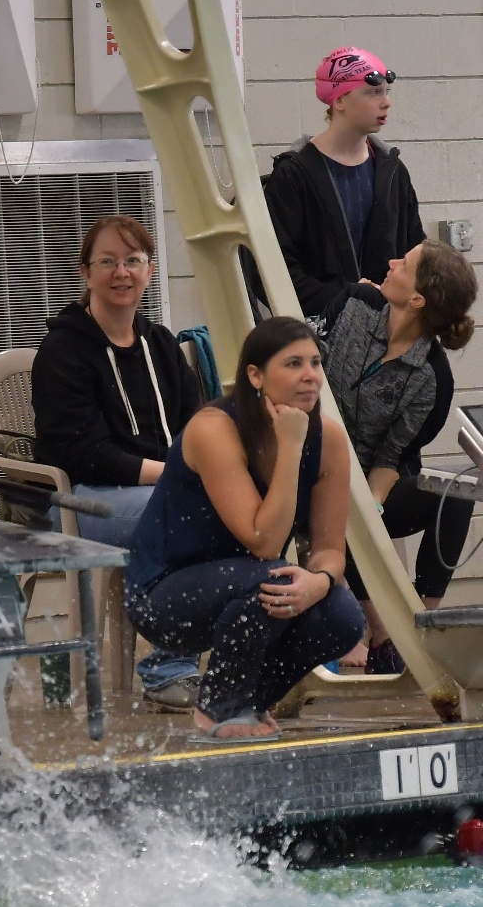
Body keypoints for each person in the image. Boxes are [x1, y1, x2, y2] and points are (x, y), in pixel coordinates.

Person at [125, 317, 367, 743]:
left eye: (314, 362)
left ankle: (249, 702)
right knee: (268, 577)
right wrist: (291, 446)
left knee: (343, 615)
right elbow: (263, 541)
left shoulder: (327, 436)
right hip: (162, 598)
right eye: (293, 363)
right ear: (255, 375)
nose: (310, 375)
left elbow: (329, 548)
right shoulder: (214, 429)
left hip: (245, 587)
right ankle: (220, 705)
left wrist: (320, 581)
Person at [31, 215, 205, 708]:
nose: (121, 272)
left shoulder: (162, 346)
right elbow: (79, 451)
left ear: (149, 270)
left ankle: (235, 658)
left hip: (158, 488)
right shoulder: (64, 348)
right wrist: (174, 477)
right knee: (186, 515)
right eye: (107, 261)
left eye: (132, 260)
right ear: (86, 273)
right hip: (80, 498)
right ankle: (168, 669)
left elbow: (199, 427)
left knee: (238, 514)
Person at [325, 240, 478, 675]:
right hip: (308, 469)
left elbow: (393, 456)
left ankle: (422, 624)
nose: (391, 263)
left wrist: (373, 507)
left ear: (417, 299)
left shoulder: (432, 378)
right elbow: (304, 360)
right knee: (341, 498)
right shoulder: (355, 303)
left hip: (371, 480)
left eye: (404, 264)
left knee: (456, 493)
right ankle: (384, 633)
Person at [252, 47, 425, 331]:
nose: (386, 103)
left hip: (389, 330)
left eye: (387, 91)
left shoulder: (393, 173)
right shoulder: (294, 176)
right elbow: (272, 271)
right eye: (373, 93)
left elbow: (415, 253)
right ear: (340, 100)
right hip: (321, 332)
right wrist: (347, 297)